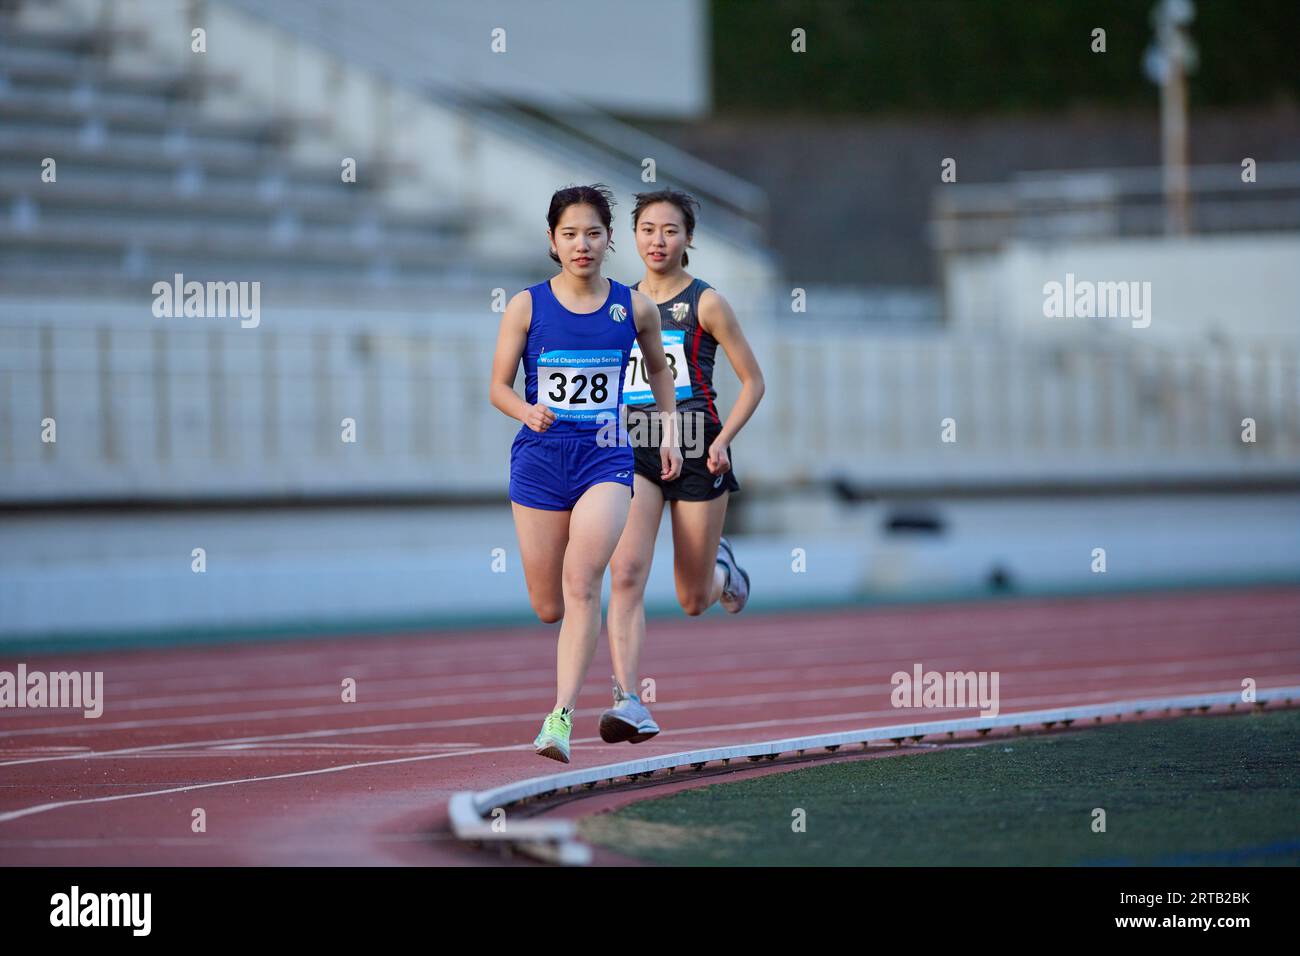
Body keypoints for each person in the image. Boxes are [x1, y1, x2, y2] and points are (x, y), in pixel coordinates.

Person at [488, 184, 682, 763]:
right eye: (569, 234)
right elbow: (496, 386)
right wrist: (525, 409)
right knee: (549, 603)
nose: (582, 245)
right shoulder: (527, 306)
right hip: (541, 461)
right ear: (552, 241)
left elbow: (659, 372)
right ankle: (570, 699)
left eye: (593, 234)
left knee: (583, 583)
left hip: (606, 454)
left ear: (608, 241)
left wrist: (668, 429)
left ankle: (559, 717)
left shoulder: (634, 306)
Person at [599, 189, 766, 744]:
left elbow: (753, 382)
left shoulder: (707, 303)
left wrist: (725, 439)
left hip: (698, 446)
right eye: (647, 229)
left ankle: (723, 571)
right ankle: (628, 699)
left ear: (688, 238)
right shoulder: (617, 303)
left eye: (670, 230)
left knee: (692, 599)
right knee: (625, 573)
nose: (658, 240)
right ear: (633, 236)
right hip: (637, 448)